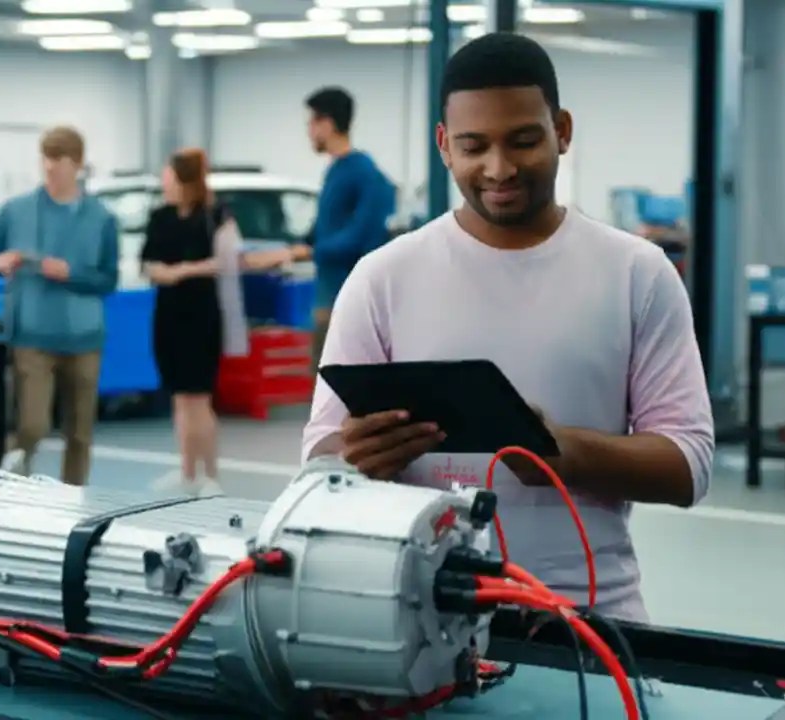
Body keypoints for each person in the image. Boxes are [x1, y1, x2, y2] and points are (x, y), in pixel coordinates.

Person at [300, 33, 714, 622]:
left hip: (587, 619)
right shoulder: (383, 277)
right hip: (418, 618)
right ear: (444, 145)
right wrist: (356, 456)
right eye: (474, 146)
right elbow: (320, 454)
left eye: (524, 141)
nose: (499, 168)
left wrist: (560, 450)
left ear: (562, 130)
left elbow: (688, 463)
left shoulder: (636, 273)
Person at [0, 126, 119, 487]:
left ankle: (74, 502)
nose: (52, 168)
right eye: (47, 159)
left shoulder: (102, 219)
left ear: (79, 164)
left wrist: (72, 273)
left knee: (80, 433)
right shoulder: (16, 210)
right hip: (32, 336)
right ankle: (10, 492)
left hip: (84, 339)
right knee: (31, 426)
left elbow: (108, 280)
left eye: (60, 161)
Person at [142, 149, 249, 498]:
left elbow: (225, 262)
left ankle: (211, 473)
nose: (164, 184)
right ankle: (187, 470)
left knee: (199, 398)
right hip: (168, 315)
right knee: (179, 397)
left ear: (184, 180)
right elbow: (150, 266)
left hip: (202, 316)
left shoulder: (215, 217)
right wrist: (183, 270)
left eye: (169, 177)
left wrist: (178, 271)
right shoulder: (160, 217)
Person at [285, 87, 395, 367]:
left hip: (349, 299)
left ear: (327, 123)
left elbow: (363, 236)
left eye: (311, 123)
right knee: (322, 382)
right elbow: (325, 226)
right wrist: (297, 247)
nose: (308, 131)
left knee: (340, 386)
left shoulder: (363, 172)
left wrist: (310, 253)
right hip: (327, 294)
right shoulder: (335, 170)